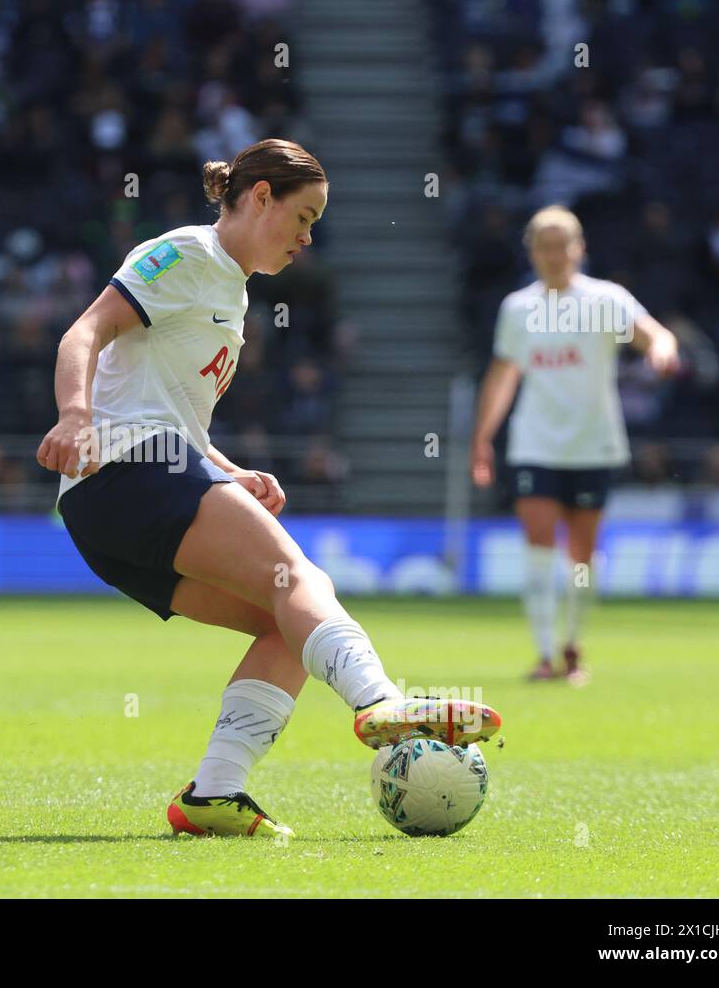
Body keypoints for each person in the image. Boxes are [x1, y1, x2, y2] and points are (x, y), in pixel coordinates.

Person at [37, 138, 502, 838]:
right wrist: (74, 415)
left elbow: (163, 403)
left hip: (114, 505)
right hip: (129, 470)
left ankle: (213, 793)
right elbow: (86, 331)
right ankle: (379, 701)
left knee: (286, 623)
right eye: (304, 216)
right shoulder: (186, 254)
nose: (307, 238)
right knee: (299, 576)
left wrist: (226, 469)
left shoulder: (234, 287)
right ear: (260, 197)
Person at [470, 205, 680, 684]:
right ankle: (545, 654)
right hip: (534, 443)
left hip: (593, 444)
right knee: (538, 545)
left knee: (582, 556)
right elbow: (503, 375)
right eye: (543, 247)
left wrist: (664, 350)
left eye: (561, 245)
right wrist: (482, 438)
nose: (553, 255)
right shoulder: (518, 308)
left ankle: (572, 644)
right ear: (532, 252)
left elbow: (652, 334)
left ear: (578, 249)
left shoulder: (607, 300)